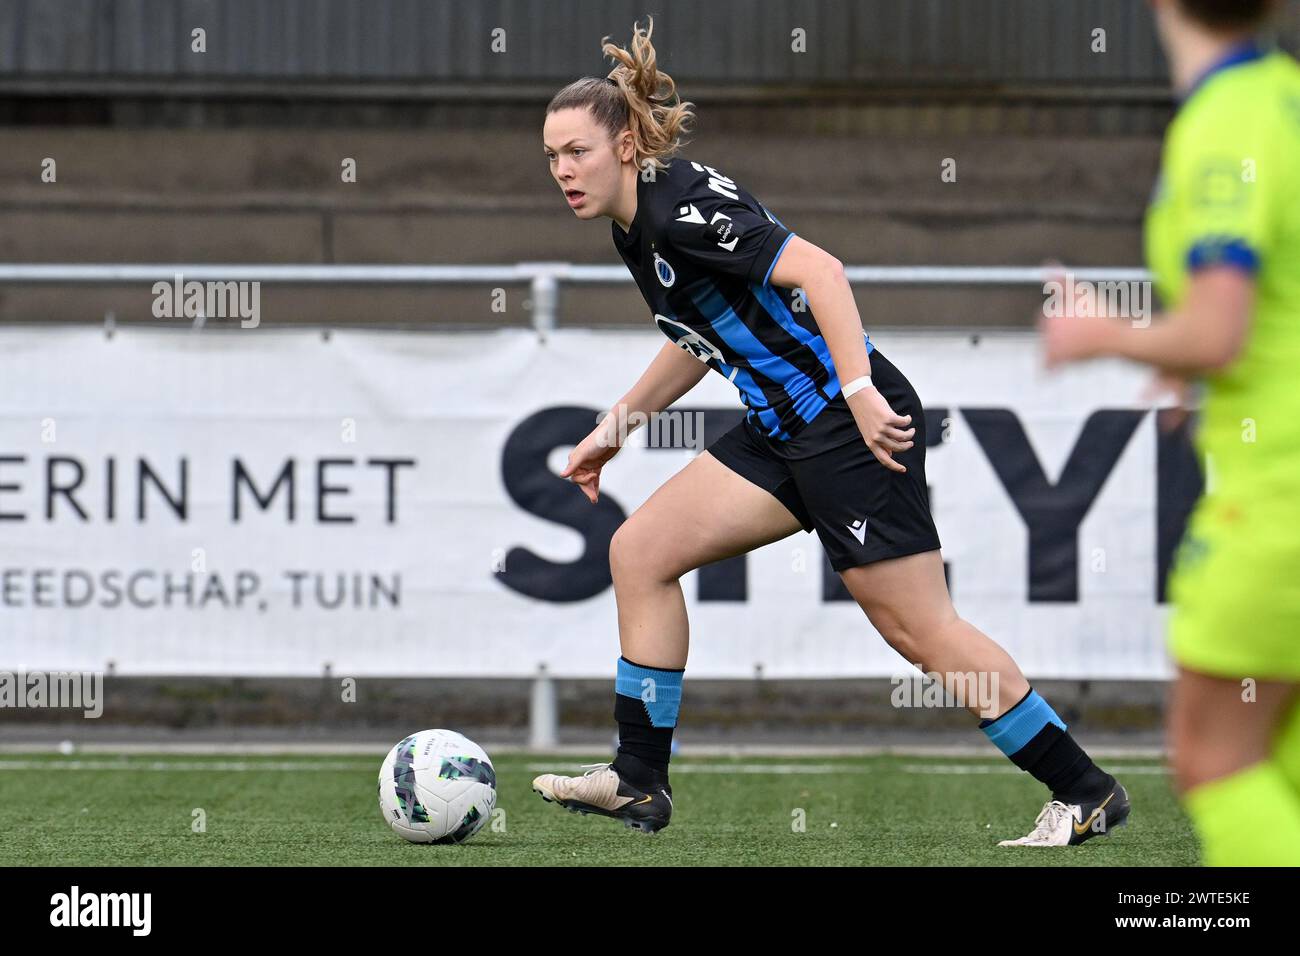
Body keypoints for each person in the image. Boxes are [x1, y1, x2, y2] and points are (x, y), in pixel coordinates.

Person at [533, 16, 1129, 845]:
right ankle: (638, 781)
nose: (563, 170)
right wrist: (616, 428)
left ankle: (1085, 789)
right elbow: (695, 336)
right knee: (640, 553)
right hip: (782, 430)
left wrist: (855, 392)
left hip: (848, 424)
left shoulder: (680, 210)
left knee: (920, 632)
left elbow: (822, 272)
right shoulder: (635, 223)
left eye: (578, 152)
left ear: (627, 142)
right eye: (553, 155)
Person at [1042, 0, 1300, 864]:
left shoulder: (1223, 122)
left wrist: (1096, 333)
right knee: (1283, 767)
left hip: (1278, 499)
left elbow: (1222, 327)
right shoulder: (1284, 97)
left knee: (1214, 759)